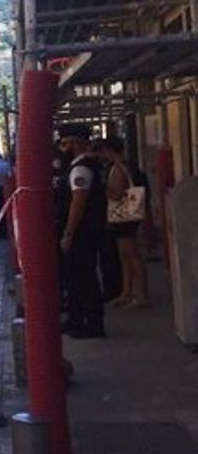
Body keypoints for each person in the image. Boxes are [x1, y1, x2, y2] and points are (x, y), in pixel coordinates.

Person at [57, 124, 106, 339]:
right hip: (83, 230)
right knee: (74, 277)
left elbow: (78, 201)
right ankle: (76, 318)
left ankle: (92, 323)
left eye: (65, 143)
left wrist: (68, 232)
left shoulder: (81, 169)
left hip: (82, 231)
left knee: (84, 277)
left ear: (77, 143)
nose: (62, 148)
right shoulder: (78, 166)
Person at [95, 137, 149, 308]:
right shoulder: (126, 165)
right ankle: (127, 292)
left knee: (131, 256)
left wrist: (103, 188)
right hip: (126, 216)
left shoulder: (118, 169)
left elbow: (116, 194)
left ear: (109, 150)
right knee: (125, 256)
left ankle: (140, 294)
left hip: (124, 216)